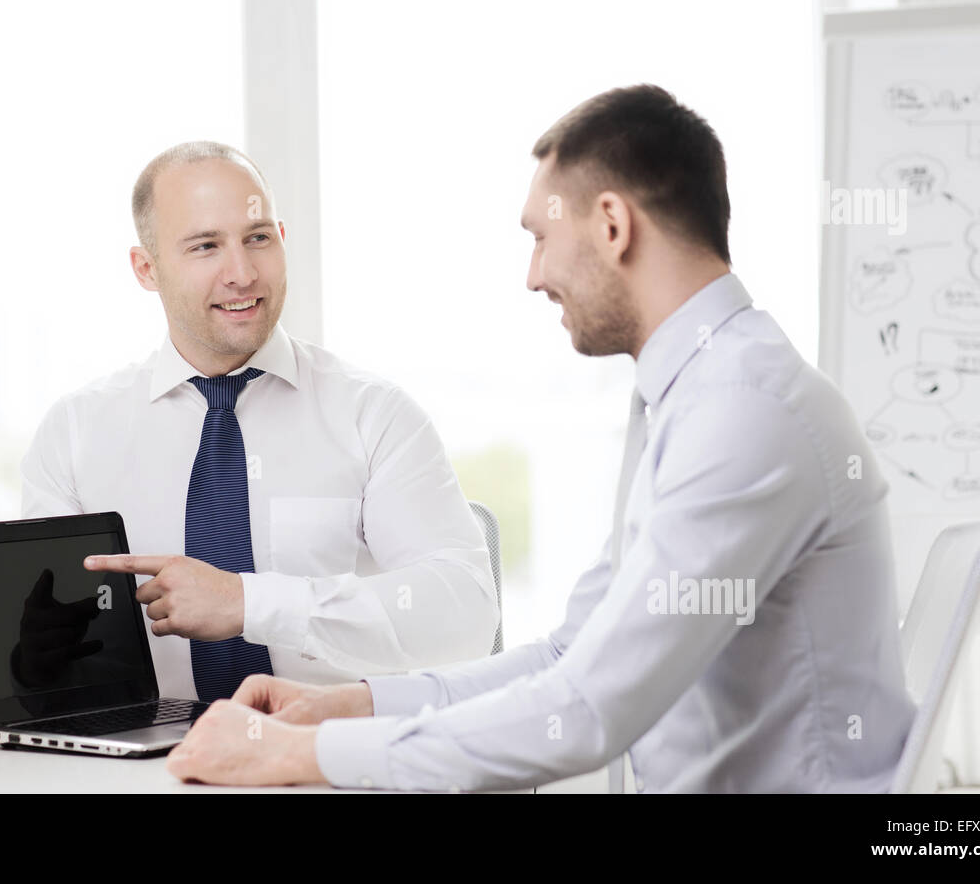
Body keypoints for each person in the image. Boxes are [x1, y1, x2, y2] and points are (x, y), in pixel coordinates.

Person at [162, 86, 917, 792]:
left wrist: (296, 753)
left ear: (613, 226)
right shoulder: (699, 394)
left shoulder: (744, 411)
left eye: (542, 237)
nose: (534, 275)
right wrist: (353, 705)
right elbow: (570, 654)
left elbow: (588, 712)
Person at [0, 142, 499, 744]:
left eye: (259, 238)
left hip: (330, 765)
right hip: (150, 775)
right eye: (205, 246)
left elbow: (468, 613)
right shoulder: (76, 433)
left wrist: (250, 602)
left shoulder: (374, 415)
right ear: (146, 268)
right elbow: (54, 642)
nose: (242, 272)